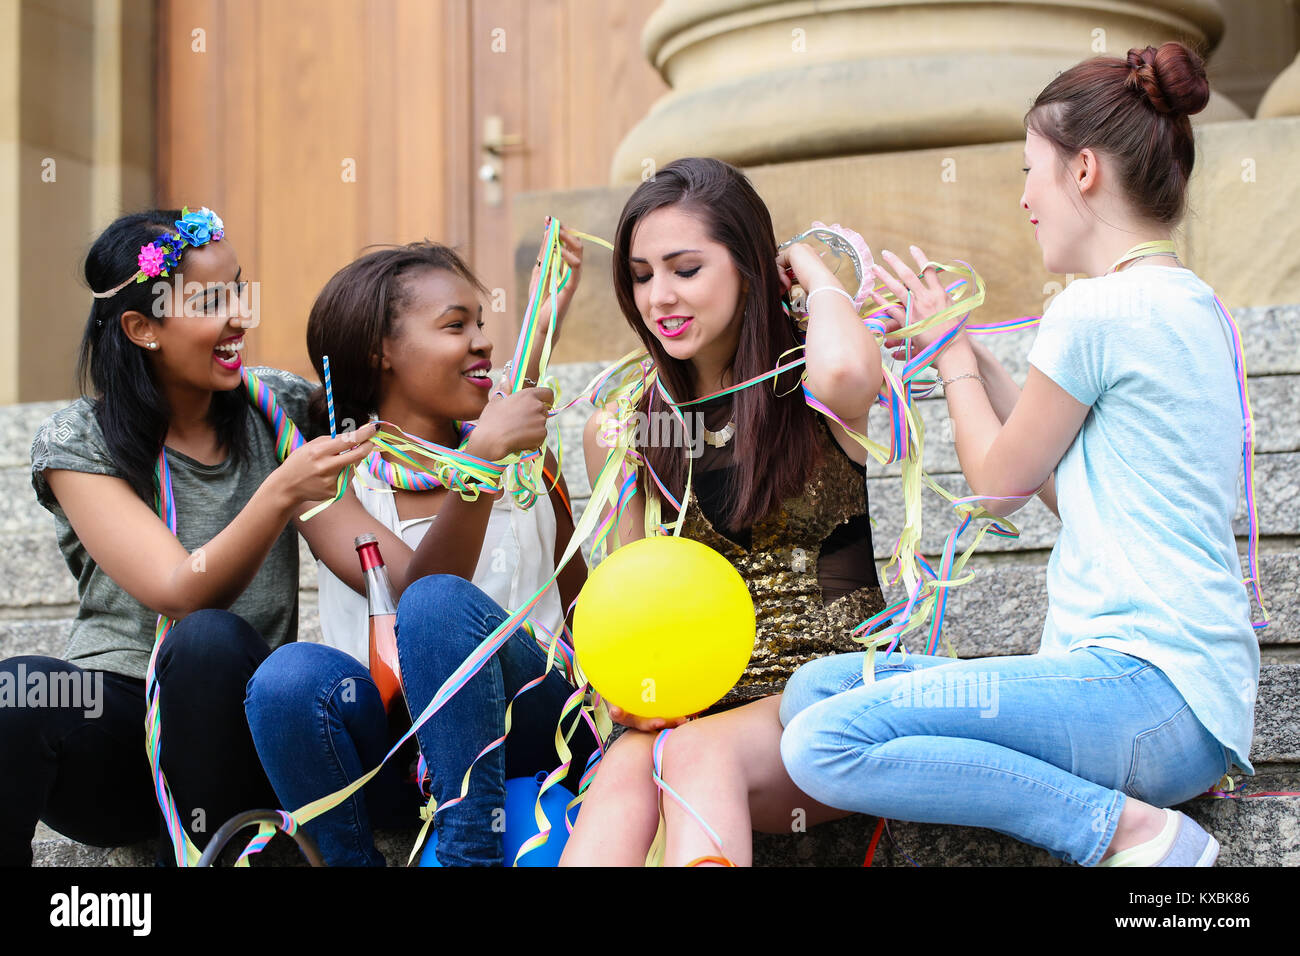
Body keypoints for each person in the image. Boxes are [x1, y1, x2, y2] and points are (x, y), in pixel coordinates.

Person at [780, 42, 1258, 867]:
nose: (1025, 197)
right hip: (1180, 705)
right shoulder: (1190, 304)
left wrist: (951, 358)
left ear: (1082, 171)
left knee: (822, 744)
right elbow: (1074, 493)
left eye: (1031, 169)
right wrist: (964, 348)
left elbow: (998, 486)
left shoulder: (1094, 312)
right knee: (815, 692)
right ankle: (1110, 809)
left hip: (1140, 690)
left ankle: (1124, 831)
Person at [1, 208, 373, 866]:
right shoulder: (78, 441)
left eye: (237, 289)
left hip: (236, 722)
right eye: (209, 300)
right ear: (142, 328)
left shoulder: (279, 409)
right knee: (19, 688)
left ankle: (237, 855)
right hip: (118, 731)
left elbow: (398, 402)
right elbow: (178, 589)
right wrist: (281, 490)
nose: (238, 317)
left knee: (209, 641)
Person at [558, 157, 888, 867]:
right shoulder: (631, 422)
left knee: (694, 753)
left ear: (748, 269)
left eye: (685, 269)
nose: (659, 297)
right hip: (700, 711)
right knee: (623, 765)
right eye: (642, 276)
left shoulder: (812, 386)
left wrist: (813, 272)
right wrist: (628, 695)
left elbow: (850, 373)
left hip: (834, 700)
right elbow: (629, 594)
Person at [246, 228, 600, 866]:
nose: (483, 341)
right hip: (396, 743)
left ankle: (470, 856)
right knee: (286, 679)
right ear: (383, 351)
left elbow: (577, 595)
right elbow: (415, 593)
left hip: (530, 722)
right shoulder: (328, 481)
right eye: (455, 325)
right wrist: (482, 460)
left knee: (442, 606)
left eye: (483, 322)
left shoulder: (524, 458)